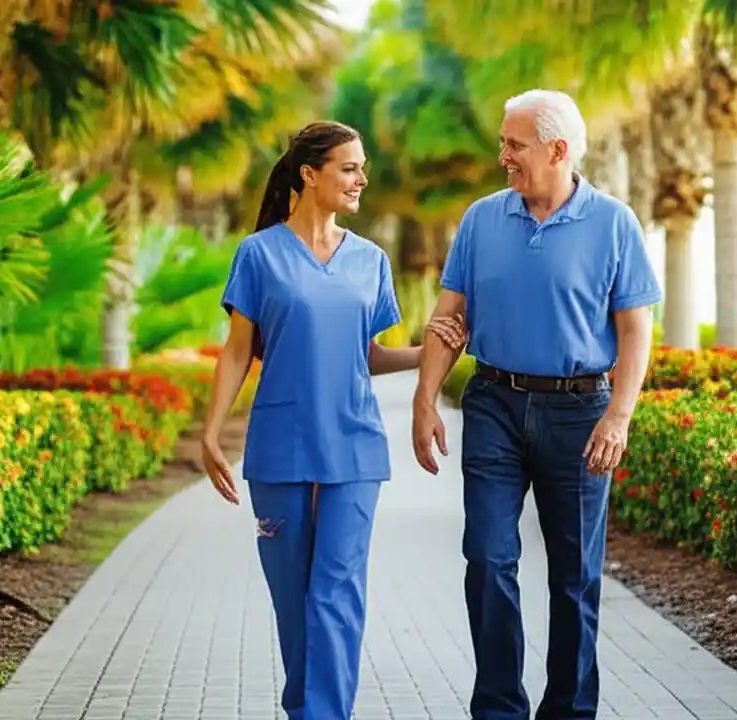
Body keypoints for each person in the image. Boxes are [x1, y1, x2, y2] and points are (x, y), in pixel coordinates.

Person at [200, 120, 467, 720]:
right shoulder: (258, 254)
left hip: (354, 447)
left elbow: (367, 354)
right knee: (294, 600)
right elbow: (240, 349)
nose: (361, 179)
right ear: (309, 173)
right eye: (349, 167)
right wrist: (212, 432)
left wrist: (432, 350)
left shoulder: (369, 261)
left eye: (362, 168)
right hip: (280, 446)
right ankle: (310, 710)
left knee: (337, 596)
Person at [411, 90, 661, 720]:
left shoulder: (614, 224)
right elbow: (449, 318)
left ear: (557, 150)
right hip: (494, 402)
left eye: (513, 144)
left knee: (574, 577)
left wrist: (619, 416)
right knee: (489, 558)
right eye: (503, 142)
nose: (503, 156)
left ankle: (570, 711)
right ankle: (499, 708)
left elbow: (635, 330)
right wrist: (423, 401)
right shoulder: (481, 220)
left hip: (580, 413)